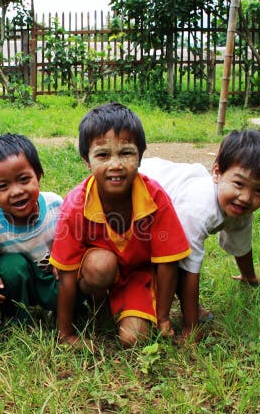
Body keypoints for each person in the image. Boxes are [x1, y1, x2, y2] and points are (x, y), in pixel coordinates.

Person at [50, 103, 191, 347]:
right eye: (103, 155)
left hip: (139, 276)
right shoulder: (76, 205)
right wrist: (66, 333)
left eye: (126, 153)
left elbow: (168, 262)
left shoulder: (155, 197)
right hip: (99, 272)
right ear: (87, 161)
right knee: (100, 264)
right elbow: (67, 273)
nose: (115, 164)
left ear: (140, 156)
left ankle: (130, 309)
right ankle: (99, 307)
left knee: (134, 339)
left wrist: (164, 318)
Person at [139, 130, 260, 340]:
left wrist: (249, 277)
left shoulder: (239, 208)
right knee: (162, 261)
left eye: (259, 191)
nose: (246, 197)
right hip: (140, 196)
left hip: (167, 198)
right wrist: (192, 326)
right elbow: (187, 267)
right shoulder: (198, 209)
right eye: (239, 184)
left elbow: (241, 245)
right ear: (217, 172)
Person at [0, 133, 63, 323]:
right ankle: (17, 317)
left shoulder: (56, 205)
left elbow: (72, 237)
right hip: (25, 284)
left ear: (38, 176)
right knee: (10, 268)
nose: (16, 191)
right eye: (3, 186)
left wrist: (64, 255)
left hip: (56, 278)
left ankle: (64, 309)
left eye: (24, 179)